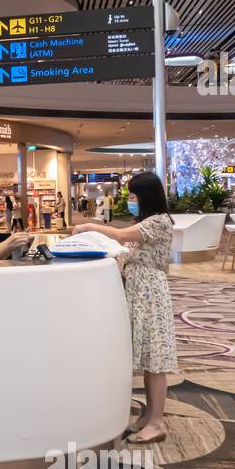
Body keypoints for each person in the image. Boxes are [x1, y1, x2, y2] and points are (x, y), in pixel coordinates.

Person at [67, 172, 177, 444]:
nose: (130, 201)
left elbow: (117, 234)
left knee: (155, 359)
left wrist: (88, 226)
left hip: (150, 293)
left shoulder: (159, 222)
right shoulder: (147, 221)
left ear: (145, 196)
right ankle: (150, 416)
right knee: (147, 358)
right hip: (138, 291)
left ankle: (156, 423)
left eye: (133, 196)